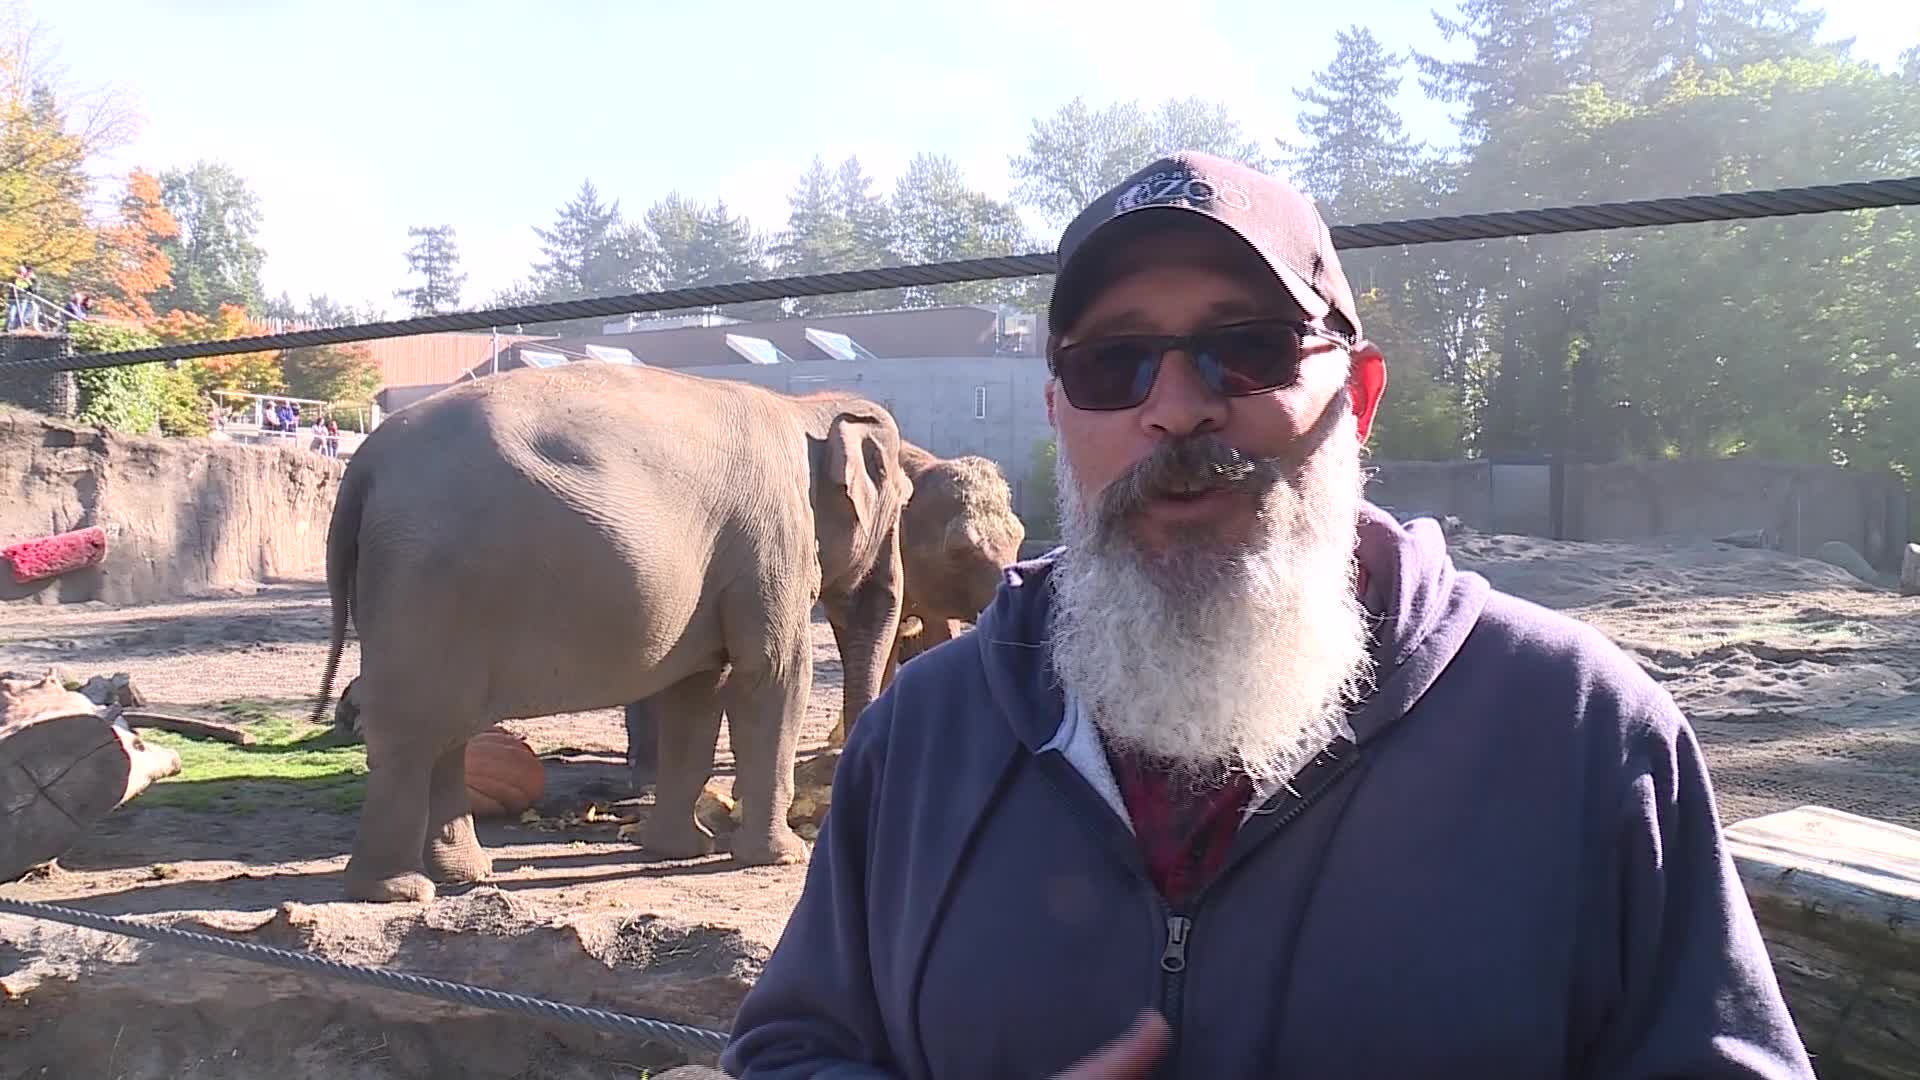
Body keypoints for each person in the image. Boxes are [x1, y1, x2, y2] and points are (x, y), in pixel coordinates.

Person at [718, 151, 1816, 1079]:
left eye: (1248, 346)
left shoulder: (1582, 732)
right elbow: (791, 1049)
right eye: (1115, 364)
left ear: (1360, 393)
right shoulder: (927, 730)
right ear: (1062, 416)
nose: (1180, 405)